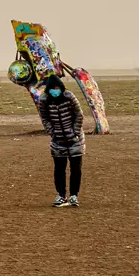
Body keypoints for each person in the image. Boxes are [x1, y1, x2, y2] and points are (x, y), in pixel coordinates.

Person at [38, 76, 85, 207]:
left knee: (76, 168)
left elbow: (79, 115)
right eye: (53, 88)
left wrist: (74, 132)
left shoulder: (69, 97)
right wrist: (52, 132)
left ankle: (74, 195)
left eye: (58, 88)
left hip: (75, 140)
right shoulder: (44, 100)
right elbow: (45, 118)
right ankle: (61, 195)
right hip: (57, 140)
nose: (55, 91)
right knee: (59, 169)